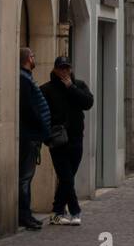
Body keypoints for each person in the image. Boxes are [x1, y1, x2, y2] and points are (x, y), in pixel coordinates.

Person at [40, 56, 94, 225]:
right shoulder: (46, 89)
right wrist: (47, 137)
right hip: (58, 140)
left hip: (76, 138)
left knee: (68, 177)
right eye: (61, 68)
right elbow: (42, 115)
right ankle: (75, 211)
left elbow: (88, 103)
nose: (64, 71)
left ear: (70, 69)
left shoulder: (79, 85)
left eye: (67, 68)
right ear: (55, 70)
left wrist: (71, 88)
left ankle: (56, 211)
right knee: (66, 177)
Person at [19, 47, 51, 230]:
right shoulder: (24, 79)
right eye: (32, 56)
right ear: (27, 59)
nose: (34, 58)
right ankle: (24, 215)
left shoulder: (27, 78)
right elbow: (29, 109)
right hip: (29, 136)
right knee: (25, 177)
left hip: (32, 135)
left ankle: (26, 213)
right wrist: (42, 128)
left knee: (27, 177)